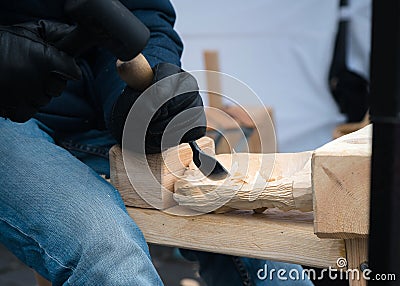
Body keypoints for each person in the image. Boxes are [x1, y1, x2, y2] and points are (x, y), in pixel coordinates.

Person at [0, 0, 312, 285]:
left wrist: (141, 98)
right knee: (110, 254)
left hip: (90, 112)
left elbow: (141, 12)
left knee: (252, 232)